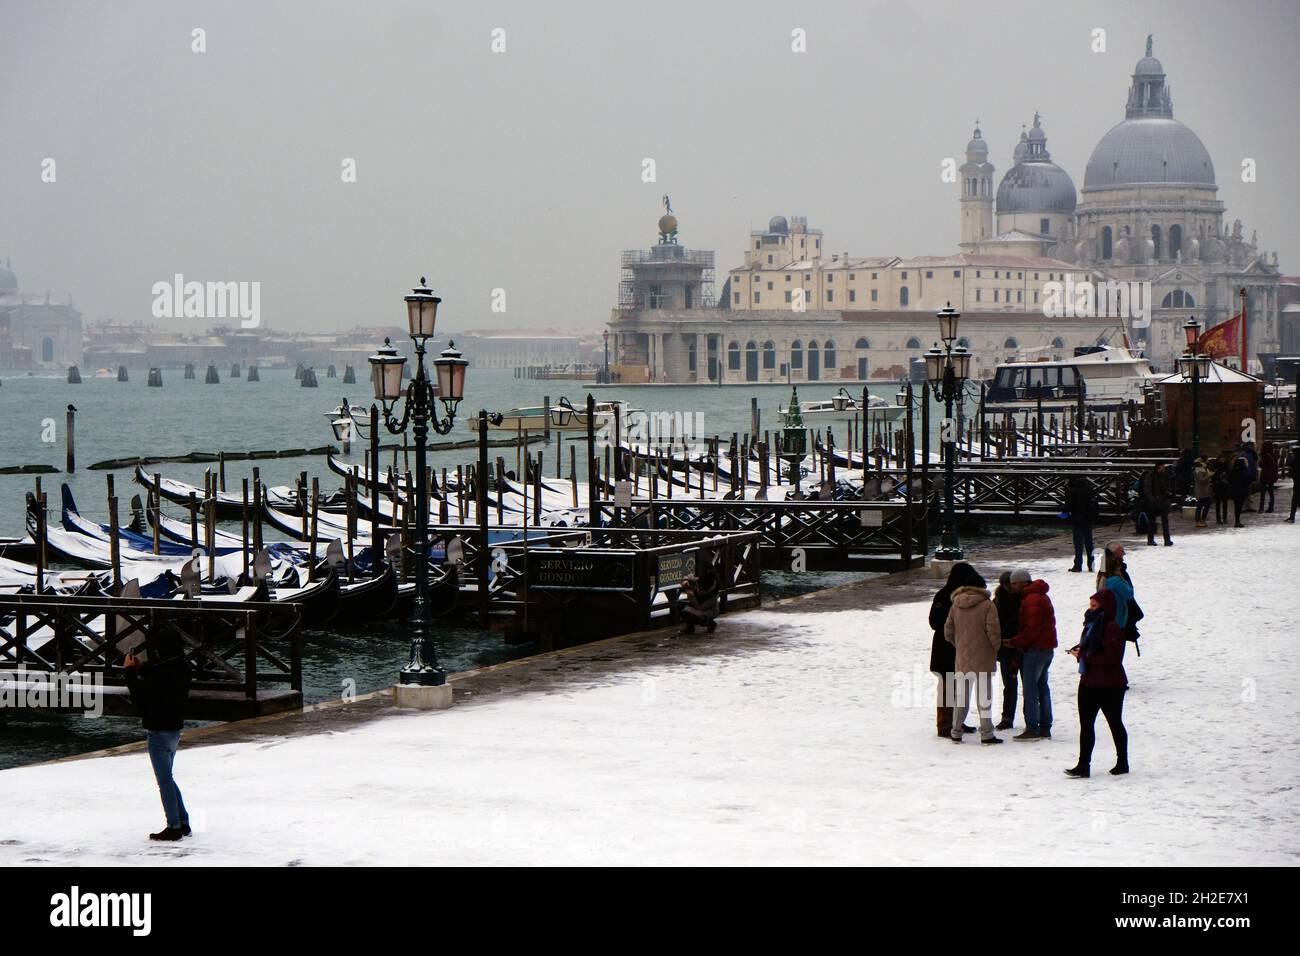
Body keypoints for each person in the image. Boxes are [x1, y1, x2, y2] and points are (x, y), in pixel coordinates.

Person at [123, 621, 193, 842]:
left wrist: (129, 673)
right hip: (175, 727)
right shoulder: (182, 666)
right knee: (169, 778)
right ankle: (183, 822)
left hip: (158, 729)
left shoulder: (160, 673)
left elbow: (141, 699)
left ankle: (173, 826)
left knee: (164, 780)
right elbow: (160, 677)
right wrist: (141, 668)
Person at [1065, 589, 1129, 777]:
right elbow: (1092, 650)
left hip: (1110, 684)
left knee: (1115, 722)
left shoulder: (1112, 628)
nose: (1090, 609)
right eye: (1090, 605)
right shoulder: (1091, 625)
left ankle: (1122, 761)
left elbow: (1112, 658)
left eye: (1094, 606)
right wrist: (1080, 652)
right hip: (1089, 681)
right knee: (1086, 725)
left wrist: (1083, 655)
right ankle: (1083, 764)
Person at [943, 577, 1003, 744]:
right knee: (984, 698)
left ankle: (955, 731)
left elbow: (947, 632)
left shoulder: (955, 604)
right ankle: (986, 733)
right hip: (984, 658)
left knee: (960, 698)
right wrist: (995, 648)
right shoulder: (988, 605)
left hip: (962, 659)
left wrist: (960, 646)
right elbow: (994, 632)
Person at [928, 563, 984, 739]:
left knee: (957, 687)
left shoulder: (949, 595)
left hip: (954, 647)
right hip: (947, 648)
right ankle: (945, 724)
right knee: (947, 687)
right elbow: (935, 622)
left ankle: (956, 722)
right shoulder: (947, 596)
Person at [1005, 569, 1057, 740]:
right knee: (1042, 687)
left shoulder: (1031, 599)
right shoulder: (1040, 595)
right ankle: (1045, 726)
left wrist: (1014, 641)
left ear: (1023, 582)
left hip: (1035, 650)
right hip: (1046, 648)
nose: (1012, 587)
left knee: (1031, 689)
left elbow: (1031, 630)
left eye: (1014, 583)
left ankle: (1032, 727)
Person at [993, 571, 1021, 731]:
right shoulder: (998, 602)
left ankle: (1009, 717)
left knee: (1012, 684)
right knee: (1010, 684)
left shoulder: (998, 601)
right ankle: (1008, 717)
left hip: (1015, 645)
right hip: (1007, 647)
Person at [1063, 475, 1099, 572]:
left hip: (1077, 520)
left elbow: (1068, 505)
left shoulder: (1073, 490)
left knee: (1078, 544)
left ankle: (1078, 565)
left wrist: (1065, 513)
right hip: (1088, 519)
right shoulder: (1090, 490)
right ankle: (1091, 565)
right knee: (1089, 544)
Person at [679, 558, 719, 635]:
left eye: (701, 588)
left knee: (693, 615)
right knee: (681, 606)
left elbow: (700, 607)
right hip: (697, 605)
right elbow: (688, 576)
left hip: (709, 611)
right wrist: (685, 581)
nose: (698, 588)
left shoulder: (713, 596)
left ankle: (710, 624)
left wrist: (692, 596)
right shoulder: (700, 580)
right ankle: (689, 628)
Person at [1140, 462, 1173, 546]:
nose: (1163, 468)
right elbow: (1147, 490)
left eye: (1164, 467)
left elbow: (1168, 487)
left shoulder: (1165, 475)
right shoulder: (1151, 476)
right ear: (1158, 467)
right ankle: (1150, 540)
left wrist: (1167, 494)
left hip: (1163, 501)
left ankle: (1167, 540)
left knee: (1165, 521)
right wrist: (1152, 500)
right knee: (1151, 522)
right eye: (1161, 467)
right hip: (1153, 502)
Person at [1227, 455, 1252, 528]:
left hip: (1234, 491)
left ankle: (1237, 521)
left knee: (1236, 506)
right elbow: (1247, 480)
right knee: (1239, 506)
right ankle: (1237, 521)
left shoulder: (1233, 471)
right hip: (1242, 491)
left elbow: (1229, 480)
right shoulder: (1244, 471)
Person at [1192, 456, 1213, 528]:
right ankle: (1198, 521)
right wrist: (1209, 475)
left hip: (1206, 490)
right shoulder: (1199, 469)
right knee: (1200, 506)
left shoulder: (1204, 468)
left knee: (1206, 506)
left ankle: (1203, 520)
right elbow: (1201, 480)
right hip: (1202, 490)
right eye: (1207, 460)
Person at [1211, 453, 1231, 525]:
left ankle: (1225, 518)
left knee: (1225, 503)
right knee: (1218, 503)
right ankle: (1218, 519)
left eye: (1223, 459)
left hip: (1225, 487)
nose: (1222, 460)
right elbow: (1212, 476)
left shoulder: (1227, 466)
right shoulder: (1215, 466)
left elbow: (1229, 475)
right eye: (1221, 459)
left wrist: (1226, 480)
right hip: (1218, 487)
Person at [1258, 442, 1278, 514]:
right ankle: (1271, 507)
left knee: (1263, 493)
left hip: (1265, 476)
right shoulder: (1273, 455)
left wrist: (1259, 463)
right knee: (1271, 493)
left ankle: (1261, 508)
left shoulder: (1266, 456)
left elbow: (1263, 465)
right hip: (1271, 477)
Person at [1288, 444, 1300, 523]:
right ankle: (1291, 517)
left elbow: (1289, 463)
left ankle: (1292, 517)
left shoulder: (1294, 461)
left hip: (1297, 485)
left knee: (1294, 502)